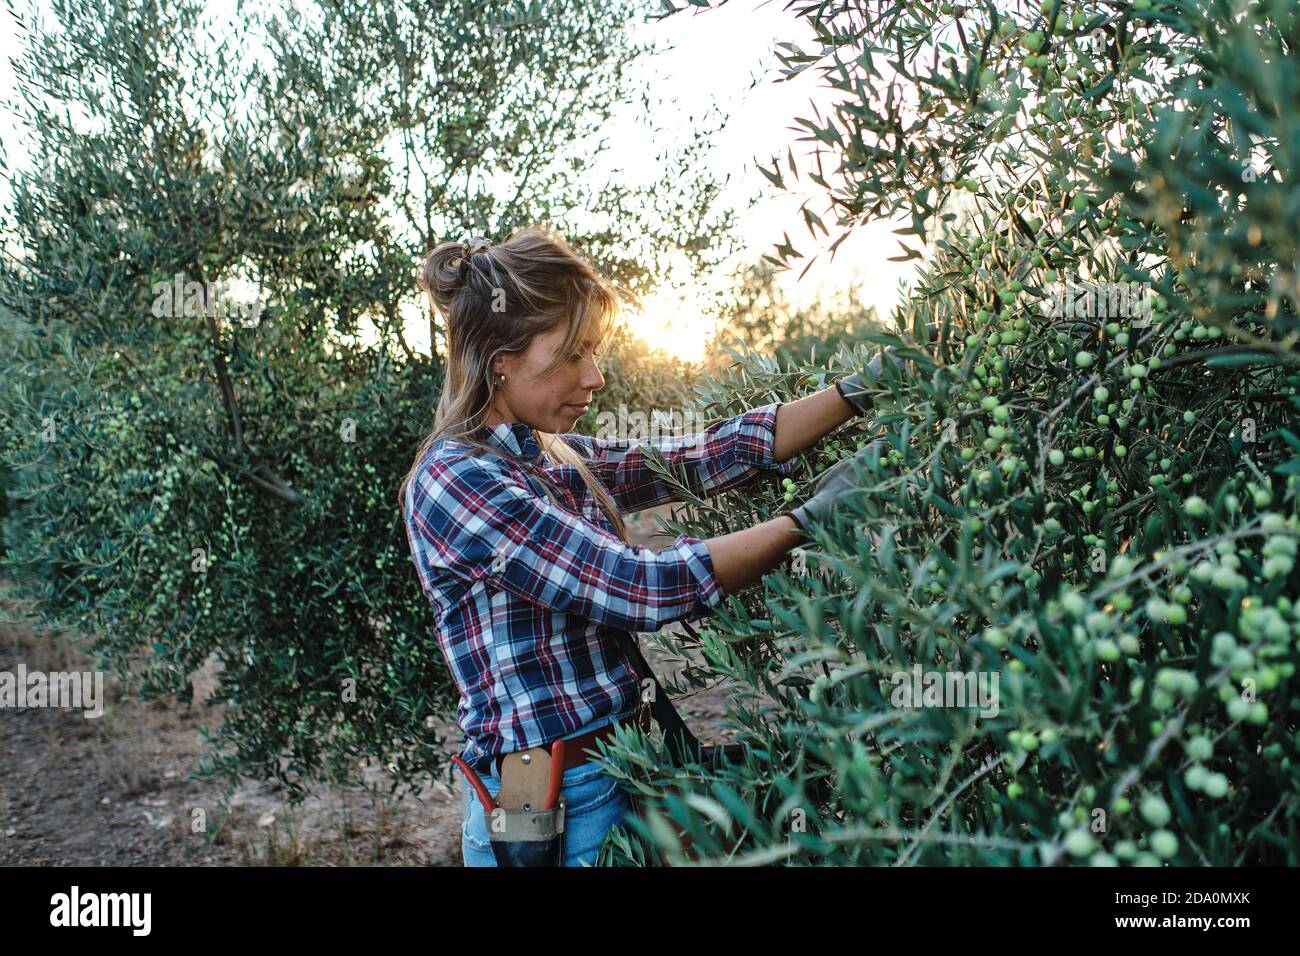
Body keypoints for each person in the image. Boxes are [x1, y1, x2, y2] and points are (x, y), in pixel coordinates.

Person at [399, 225, 933, 866]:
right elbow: (639, 588)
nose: (594, 377)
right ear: (499, 358)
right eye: (572, 354)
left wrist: (861, 388)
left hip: (623, 773)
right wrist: (810, 520)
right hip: (554, 804)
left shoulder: (551, 455)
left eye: (593, 352)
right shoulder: (456, 480)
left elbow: (698, 457)